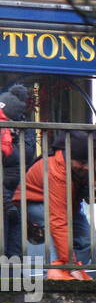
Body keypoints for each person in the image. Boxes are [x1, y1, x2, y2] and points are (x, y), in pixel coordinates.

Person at [13, 130, 94, 280]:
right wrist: (70, 263)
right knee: (55, 241)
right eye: (82, 163)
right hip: (35, 200)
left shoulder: (92, 155)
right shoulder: (55, 171)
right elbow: (58, 223)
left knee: (86, 240)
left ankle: (72, 270)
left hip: (68, 203)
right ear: (69, 158)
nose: (87, 167)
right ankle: (57, 275)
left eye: (90, 162)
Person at [0, 85, 37, 258]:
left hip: (19, 193)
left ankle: (14, 284)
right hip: (5, 193)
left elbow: (27, 157)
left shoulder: (25, 127)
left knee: (15, 249)